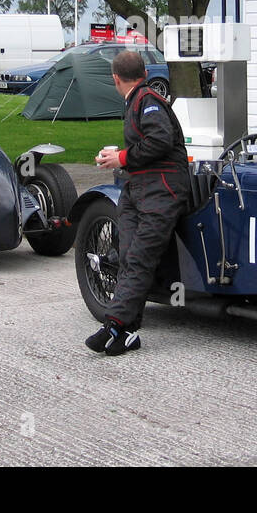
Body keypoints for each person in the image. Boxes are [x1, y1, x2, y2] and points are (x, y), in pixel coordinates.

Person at [85, 49, 189, 357]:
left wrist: (122, 157)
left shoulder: (148, 102)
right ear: (143, 72)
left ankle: (114, 325)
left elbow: (160, 140)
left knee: (140, 256)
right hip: (137, 188)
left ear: (115, 78)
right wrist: (119, 157)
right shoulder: (139, 100)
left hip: (162, 190)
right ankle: (129, 332)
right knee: (128, 255)